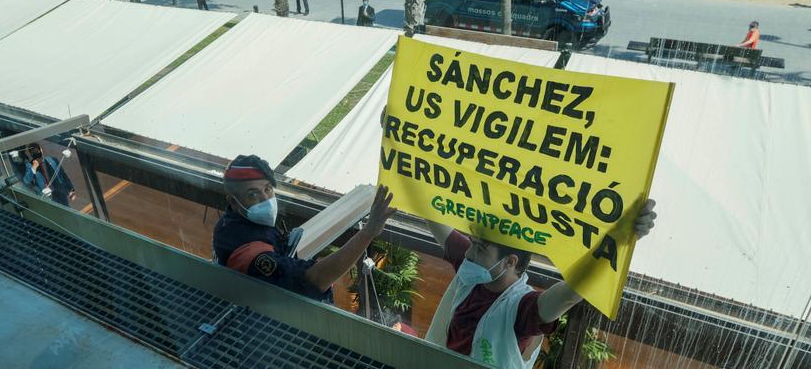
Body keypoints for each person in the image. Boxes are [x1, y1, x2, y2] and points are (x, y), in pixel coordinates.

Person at [424, 199, 658, 368]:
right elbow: (430, 212)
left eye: (480, 248)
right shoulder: (476, 267)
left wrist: (620, 239)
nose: (468, 254)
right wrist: (404, 141)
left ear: (510, 262)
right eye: (473, 243)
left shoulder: (522, 309)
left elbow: (571, 292)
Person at [212, 155, 396, 301]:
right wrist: (367, 233)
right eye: (253, 194)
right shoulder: (248, 252)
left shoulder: (238, 222)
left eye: (267, 189)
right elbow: (314, 280)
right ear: (234, 203)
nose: (265, 200)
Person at [21, 143, 76, 207]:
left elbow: (63, 175)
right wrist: (33, 169)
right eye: (33, 152)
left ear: (41, 150)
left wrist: (70, 189)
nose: (36, 153)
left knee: (66, 210)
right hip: (46, 196)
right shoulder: (30, 166)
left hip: (60, 192)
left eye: (37, 150)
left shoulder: (52, 160)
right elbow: (26, 181)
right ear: (31, 154)